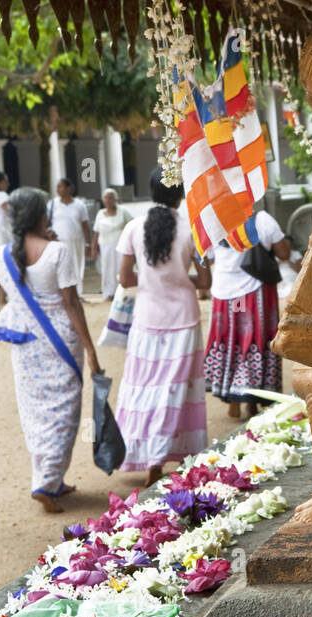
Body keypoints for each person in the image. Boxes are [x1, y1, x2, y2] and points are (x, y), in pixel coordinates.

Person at [0, 187, 102, 513]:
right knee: (64, 413)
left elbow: (9, 296)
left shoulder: (1, 255)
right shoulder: (58, 252)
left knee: (36, 412)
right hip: (60, 341)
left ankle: (49, 476)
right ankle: (47, 482)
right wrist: (90, 349)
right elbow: (71, 303)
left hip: (25, 343)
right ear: (42, 215)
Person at [114, 170, 210, 486]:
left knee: (143, 387)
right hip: (183, 317)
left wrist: (153, 279)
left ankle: (146, 454)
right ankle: (169, 454)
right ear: (181, 195)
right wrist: (182, 279)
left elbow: (124, 278)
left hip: (147, 318)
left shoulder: (132, 227)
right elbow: (206, 281)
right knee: (178, 388)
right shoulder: (193, 229)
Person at [205, 209, 290, 419]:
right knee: (249, 341)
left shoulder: (213, 219)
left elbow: (208, 256)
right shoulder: (261, 220)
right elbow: (284, 253)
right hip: (250, 293)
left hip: (226, 295)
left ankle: (232, 399)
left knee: (233, 342)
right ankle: (250, 403)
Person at [47, 177, 91, 286]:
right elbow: (46, 223)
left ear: (68, 188)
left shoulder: (79, 205)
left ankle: (77, 293)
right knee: (62, 266)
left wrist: (88, 243)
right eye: (57, 187)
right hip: (58, 241)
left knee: (77, 265)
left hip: (77, 241)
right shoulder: (52, 204)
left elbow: (85, 225)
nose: (57, 189)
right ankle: (64, 291)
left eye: (60, 186)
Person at [90, 188, 132, 300]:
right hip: (105, 247)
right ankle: (109, 293)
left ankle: (122, 292)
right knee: (107, 270)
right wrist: (93, 248)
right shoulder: (100, 214)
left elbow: (131, 224)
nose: (108, 200)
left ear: (115, 199)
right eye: (106, 197)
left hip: (120, 246)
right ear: (103, 200)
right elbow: (96, 232)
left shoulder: (122, 211)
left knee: (120, 268)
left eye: (110, 197)